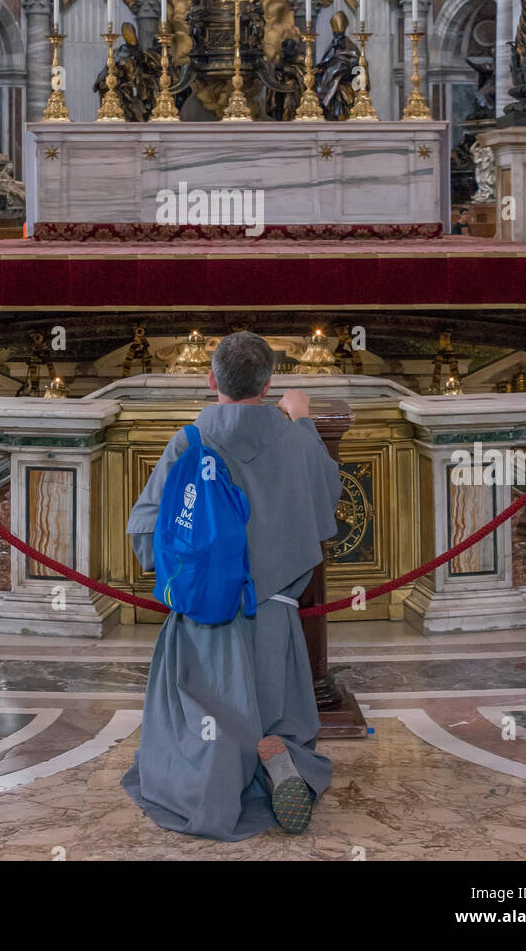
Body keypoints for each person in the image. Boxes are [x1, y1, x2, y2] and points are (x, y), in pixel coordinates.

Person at [121, 330, 343, 841]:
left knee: (201, 726)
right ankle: (278, 760)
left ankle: (211, 774)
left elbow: (145, 532)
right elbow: (327, 502)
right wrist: (304, 418)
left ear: (210, 379)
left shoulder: (190, 440)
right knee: (275, 718)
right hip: (275, 621)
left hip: (205, 618)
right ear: (268, 384)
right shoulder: (293, 438)